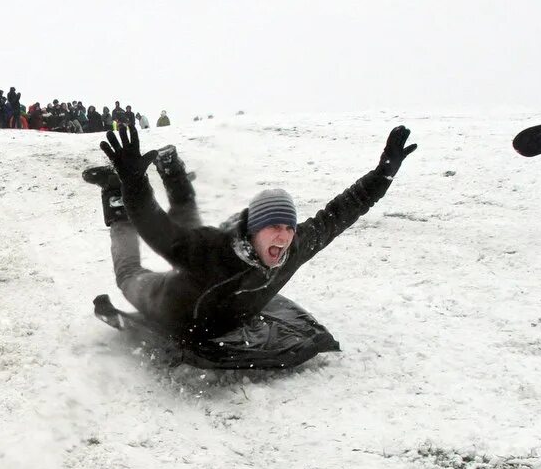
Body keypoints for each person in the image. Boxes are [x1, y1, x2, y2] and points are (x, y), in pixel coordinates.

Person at [81, 124, 416, 345]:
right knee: (128, 273)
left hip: (212, 302)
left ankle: (171, 169)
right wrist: (133, 183)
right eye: (274, 227)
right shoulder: (212, 251)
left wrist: (382, 175)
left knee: (188, 223)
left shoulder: (293, 248)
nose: (284, 237)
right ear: (254, 230)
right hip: (166, 304)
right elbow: (153, 225)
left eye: (288, 227)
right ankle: (113, 192)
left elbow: (340, 212)